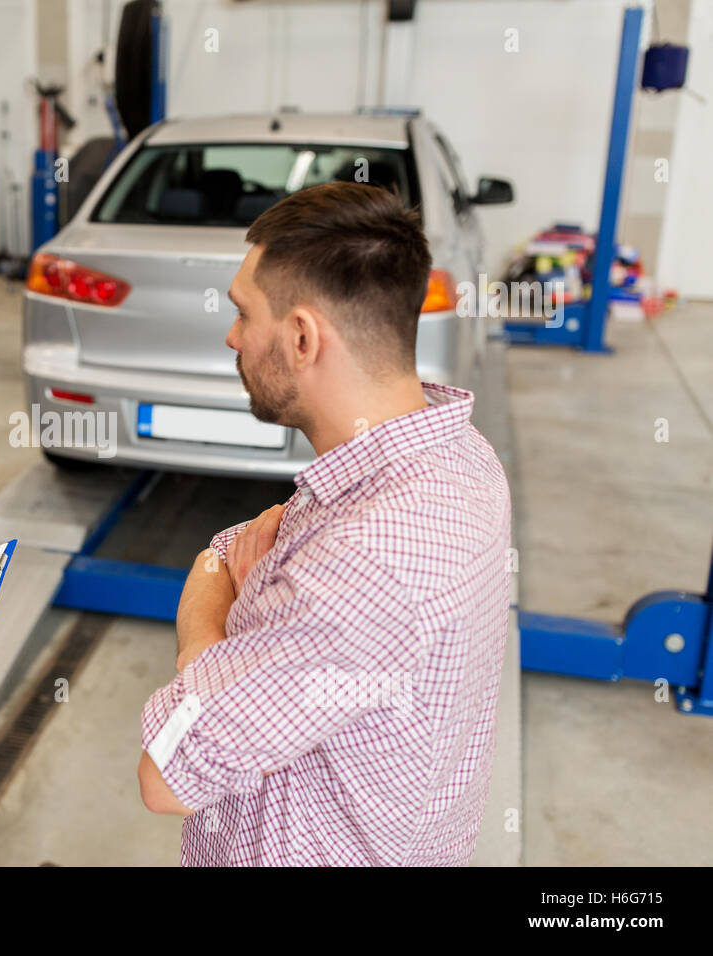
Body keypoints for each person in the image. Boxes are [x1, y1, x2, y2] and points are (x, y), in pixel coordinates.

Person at [137, 182, 512, 866]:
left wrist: (209, 644)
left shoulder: (363, 561)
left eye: (244, 313)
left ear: (304, 337)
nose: (231, 335)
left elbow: (166, 774)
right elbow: (230, 551)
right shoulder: (457, 453)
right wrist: (248, 633)